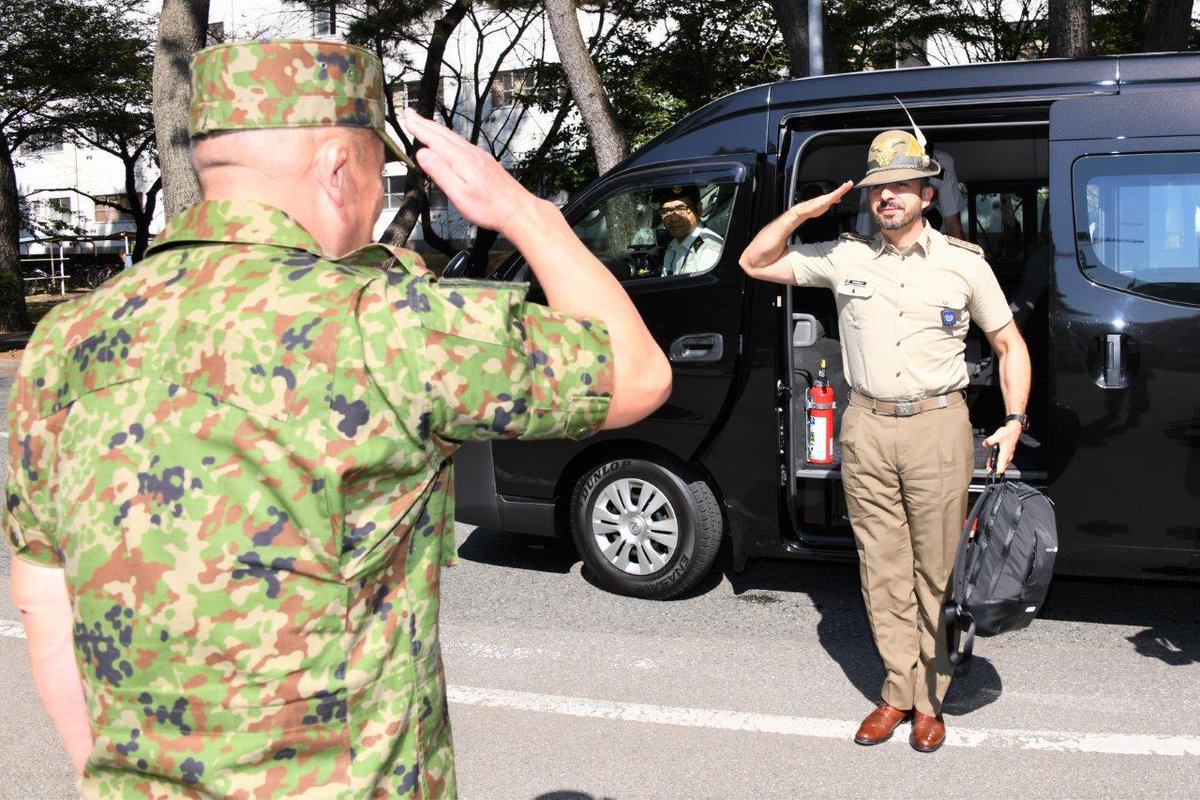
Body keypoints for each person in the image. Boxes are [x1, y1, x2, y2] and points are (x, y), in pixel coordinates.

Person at [5, 39, 671, 797]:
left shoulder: (66, 339)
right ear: (335, 168)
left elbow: (43, 591)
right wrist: (527, 212)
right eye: (376, 174)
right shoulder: (386, 323)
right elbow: (637, 375)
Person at [739, 128, 1030, 753]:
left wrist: (1013, 419)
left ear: (928, 193)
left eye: (900, 186)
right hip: (867, 427)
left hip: (938, 425)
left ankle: (932, 699)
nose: (887, 197)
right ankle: (898, 690)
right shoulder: (846, 258)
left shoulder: (964, 263)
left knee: (940, 567)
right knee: (881, 568)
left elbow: (1009, 344)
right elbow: (755, 261)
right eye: (877, 188)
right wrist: (804, 210)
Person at [856, 144, 965, 239]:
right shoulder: (875, 173)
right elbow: (864, 234)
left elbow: (953, 225)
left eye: (901, 184)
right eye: (878, 186)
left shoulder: (943, 165)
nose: (885, 194)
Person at [653, 185, 724, 276]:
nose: (674, 218)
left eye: (681, 209)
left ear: (698, 209)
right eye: (666, 211)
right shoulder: (673, 247)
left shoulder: (708, 251)